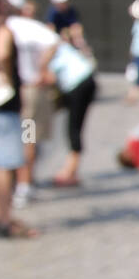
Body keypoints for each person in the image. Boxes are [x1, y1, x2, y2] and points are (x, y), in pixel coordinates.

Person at [0, 0, 36, 238]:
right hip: (1, 103)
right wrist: (6, 81)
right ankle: (6, 218)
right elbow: (1, 54)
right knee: (3, 164)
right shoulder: (3, 30)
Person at [5, 1, 60, 204]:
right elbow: (53, 41)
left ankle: (22, 183)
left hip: (14, 92)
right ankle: (24, 183)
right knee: (27, 138)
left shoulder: (13, 26)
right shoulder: (24, 26)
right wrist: (43, 68)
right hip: (25, 91)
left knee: (24, 137)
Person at [40, 38, 97, 187]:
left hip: (78, 85)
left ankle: (70, 171)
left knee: (73, 128)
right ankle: (70, 169)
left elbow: (49, 78)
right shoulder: (54, 44)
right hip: (83, 81)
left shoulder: (46, 49)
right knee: (74, 128)